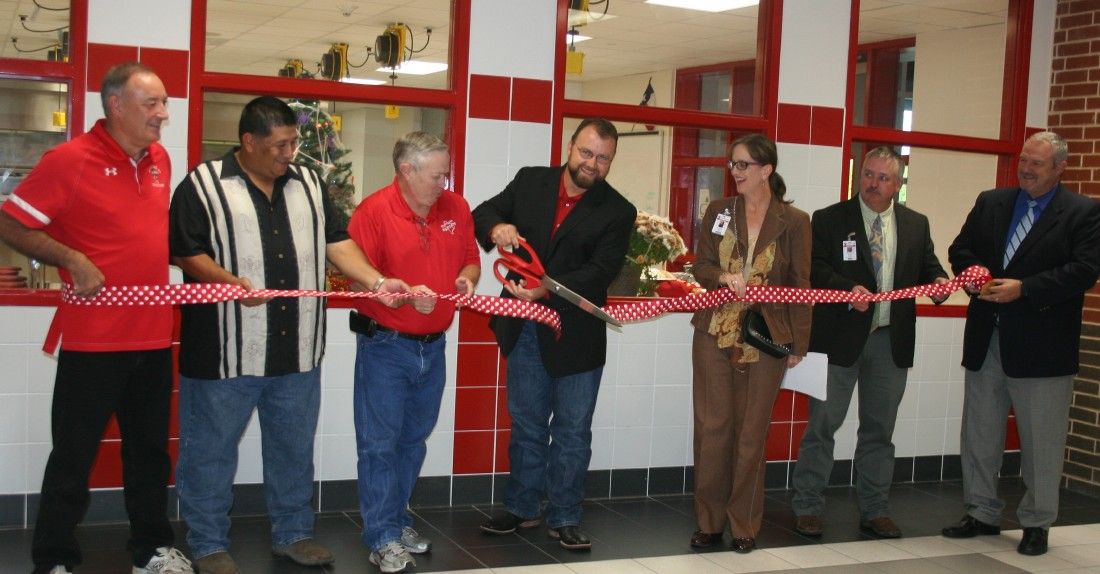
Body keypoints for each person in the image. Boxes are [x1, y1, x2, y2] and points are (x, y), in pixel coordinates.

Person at [169, 96, 402, 574]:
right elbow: (184, 251)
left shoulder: (312, 184)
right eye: (279, 145)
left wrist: (376, 282)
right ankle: (208, 542)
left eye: (294, 142)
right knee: (209, 454)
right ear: (248, 142)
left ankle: (293, 534)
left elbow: (338, 243)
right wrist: (227, 283)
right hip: (222, 353)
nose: (288, 153)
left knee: (293, 449)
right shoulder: (204, 184)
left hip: (298, 350)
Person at [0, 63, 193, 574]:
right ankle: (53, 558)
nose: (162, 115)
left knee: (150, 454)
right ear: (115, 105)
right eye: (151, 104)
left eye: (163, 103)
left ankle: (151, 548)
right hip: (92, 342)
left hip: (152, 336)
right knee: (73, 456)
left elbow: (146, 238)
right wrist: (71, 258)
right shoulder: (69, 160)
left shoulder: (160, 161)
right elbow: (10, 223)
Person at [472, 118, 636, 551]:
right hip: (525, 330)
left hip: (578, 336)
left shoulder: (619, 211)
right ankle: (522, 509)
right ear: (570, 146)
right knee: (526, 425)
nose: (592, 164)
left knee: (572, 431)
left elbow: (600, 272)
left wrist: (545, 288)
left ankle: (564, 516)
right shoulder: (531, 181)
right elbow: (482, 212)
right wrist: (496, 229)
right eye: (586, 152)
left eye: (603, 158)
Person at [941, 131, 1100, 556]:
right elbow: (961, 249)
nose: (1026, 169)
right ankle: (981, 511)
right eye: (1024, 160)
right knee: (979, 433)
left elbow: (1084, 270)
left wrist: (1024, 289)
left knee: (1041, 441)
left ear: (1060, 168)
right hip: (986, 338)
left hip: (1043, 347)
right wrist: (976, 276)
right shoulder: (991, 201)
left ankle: (1037, 522)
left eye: (1037, 163)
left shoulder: (1083, 213)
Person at [789, 147, 949, 540]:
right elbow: (815, 268)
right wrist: (847, 289)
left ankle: (875, 510)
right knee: (822, 426)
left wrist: (943, 283)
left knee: (879, 431)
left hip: (890, 341)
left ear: (898, 184)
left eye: (883, 178)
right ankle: (807, 506)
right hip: (839, 341)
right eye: (868, 175)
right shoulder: (829, 218)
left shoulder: (915, 223)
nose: (873, 184)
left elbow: (928, 266)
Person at [347, 131, 480, 574]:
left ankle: (396, 520)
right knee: (379, 445)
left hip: (434, 347)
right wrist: (399, 295)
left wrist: (466, 280)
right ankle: (381, 536)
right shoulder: (373, 212)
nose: (445, 183)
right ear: (407, 171)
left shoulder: (456, 208)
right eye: (437, 175)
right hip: (386, 346)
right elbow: (354, 279)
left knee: (411, 442)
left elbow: (471, 260)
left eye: (446, 174)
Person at [688, 133, 811, 554]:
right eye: (733, 164)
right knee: (712, 430)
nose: (735, 172)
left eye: (743, 165)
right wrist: (721, 277)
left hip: (767, 336)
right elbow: (701, 264)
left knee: (750, 435)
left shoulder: (795, 221)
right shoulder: (719, 211)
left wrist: (799, 342)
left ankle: (744, 524)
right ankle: (709, 521)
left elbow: (800, 284)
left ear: (766, 170)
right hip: (713, 332)